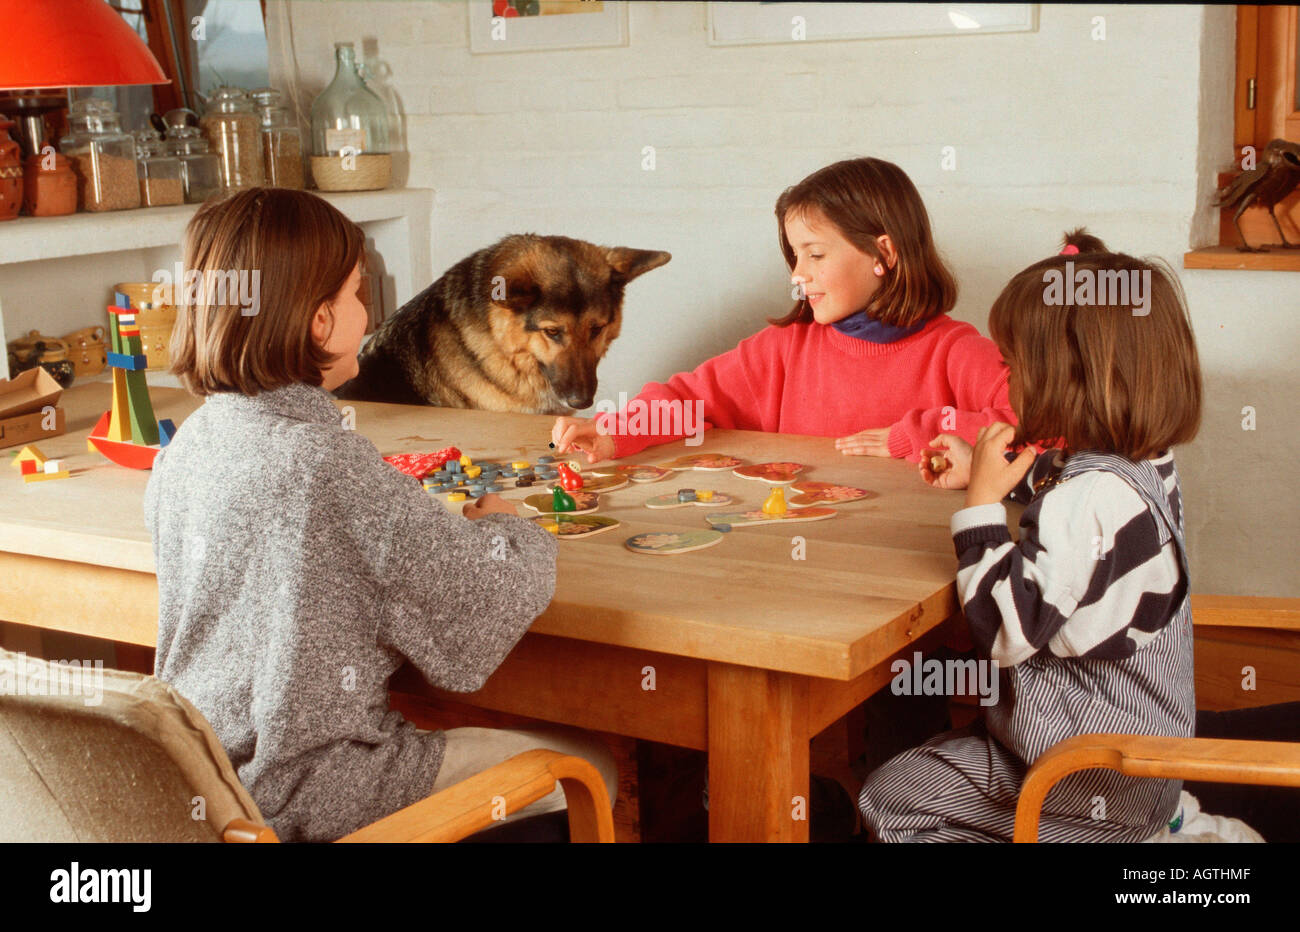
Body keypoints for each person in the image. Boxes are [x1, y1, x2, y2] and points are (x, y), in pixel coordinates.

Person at [146, 187, 616, 842]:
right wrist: (506, 526)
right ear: (318, 322)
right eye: (359, 295)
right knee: (594, 766)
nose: (369, 316)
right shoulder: (325, 464)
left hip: (206, 788)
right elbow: (476, 603)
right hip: (316, 796)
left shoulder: (189, 446)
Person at [859, 229, 1202, 841]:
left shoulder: (1085, 503)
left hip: (1078, 781)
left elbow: (999, 632)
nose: (1008, 383)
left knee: (890, 797)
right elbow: (1082, 512)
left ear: (1065, 377)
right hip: (1145, 770)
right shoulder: (1142, 466)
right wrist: (996, 469)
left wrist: (982, 504)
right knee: (926, 765)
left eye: (1014, 366)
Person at [551, 157, 1015, 462]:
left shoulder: (956, 351)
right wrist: (613, 431)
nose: (797, 274)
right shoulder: (781, 351)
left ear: (883, 255)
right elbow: (687, 400)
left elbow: (1040, 425)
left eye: (815, 255)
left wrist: (915, 434)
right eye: (794, 256)